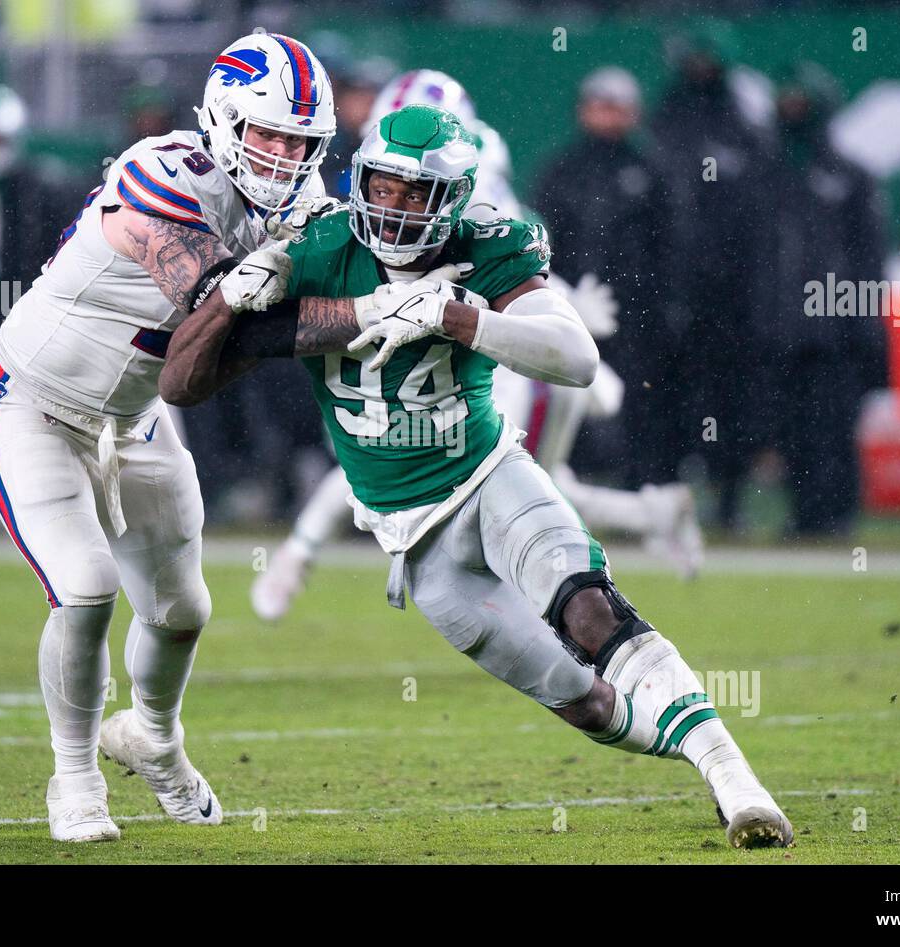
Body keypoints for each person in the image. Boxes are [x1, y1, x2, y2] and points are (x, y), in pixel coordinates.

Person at [161, 106, 793, 848]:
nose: (392, 206)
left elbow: (577, 357)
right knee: (585, 703)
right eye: (384, 185)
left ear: (454, 199)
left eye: (414, 192)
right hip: (413, 541)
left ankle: (735, 780)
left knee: (588, 611)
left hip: (490, 476)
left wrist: (463, 319)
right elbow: (183, 378)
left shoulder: (488, 243)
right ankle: (695, 750)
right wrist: (240, 293)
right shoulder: (316, 245)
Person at [0, 33, 335, 842]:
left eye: (299, 142)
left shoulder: (304, 208)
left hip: (134, 421)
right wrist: (370, 313)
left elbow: (352, 277)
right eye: (266, 133)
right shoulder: (162, 172)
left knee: (182, 610)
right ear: (223, 119)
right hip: (28, 404)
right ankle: (73, 775)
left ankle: (154, 739)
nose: (281, 156)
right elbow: (217, 314)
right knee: (88, 588)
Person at [248, 72, 701, 623]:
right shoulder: (468, 159)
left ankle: (299, 556)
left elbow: (496, 256)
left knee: (439, 456)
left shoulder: (461, 184)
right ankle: (654, 515)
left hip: (506, 352)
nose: (395, 188)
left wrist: (557, 318)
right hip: (488, 337)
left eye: (410, 179)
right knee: (513, 477)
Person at [534, 65, 694, 499]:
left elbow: (673, 245)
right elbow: (541, 241)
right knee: (571, 398)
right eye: (600, 106)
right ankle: (567, 493)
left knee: (641, 404)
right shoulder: (563, 169)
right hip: (573, 308)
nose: (608, 116)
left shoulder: (653, 169)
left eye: (617, 107)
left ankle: (643, 493)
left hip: (638, 314)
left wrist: (668, 306)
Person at [752, 63, 887, 537]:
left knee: (834, 427)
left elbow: (870, 258)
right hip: (781, 330)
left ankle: (838, 515)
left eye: (800, 102)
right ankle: (805, 514)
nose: (792, 110)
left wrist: (866, 327)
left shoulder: (849, 175)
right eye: (785, 101)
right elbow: (751, 256)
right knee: (793, 431)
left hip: (835, 329)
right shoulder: (766, 175)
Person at [652, 29, 776, 532]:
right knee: (669, 400)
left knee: (732, 402)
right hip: (675, 289)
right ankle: (666, 505)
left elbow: (761, 215)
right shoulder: (668, 120)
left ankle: (729, 502)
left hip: (733, 294)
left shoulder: (745, 126)